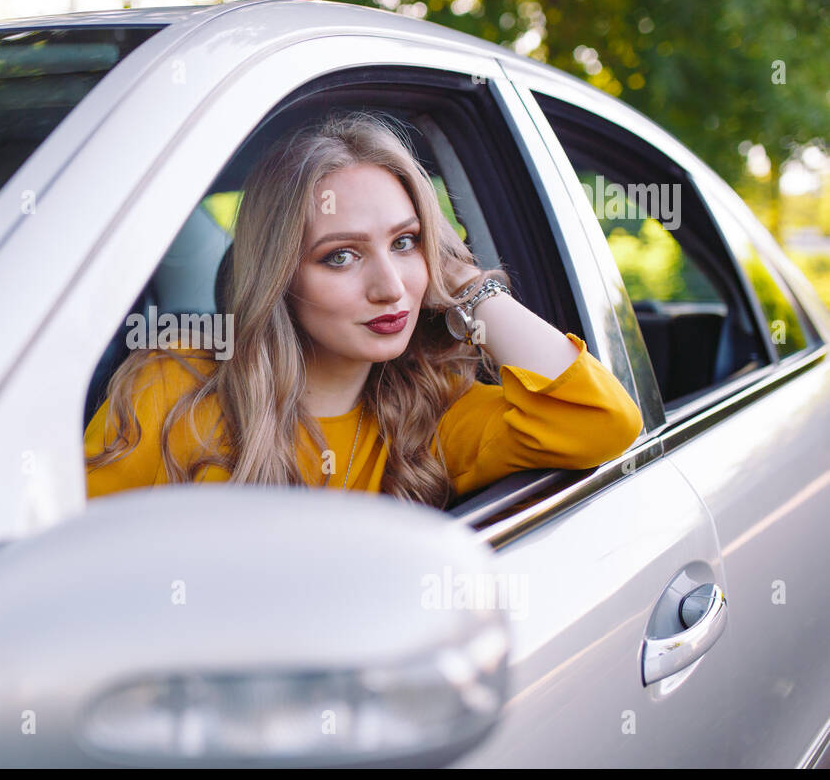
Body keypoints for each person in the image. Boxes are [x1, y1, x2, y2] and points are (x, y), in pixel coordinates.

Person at [83, 110, 643, 508]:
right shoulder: (174, 388)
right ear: (276, 276)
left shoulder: (433, 414)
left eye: (405, 243)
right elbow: (70, 575)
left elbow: (603, 422)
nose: (391, 288)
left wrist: (464, 282)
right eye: (341, 255)